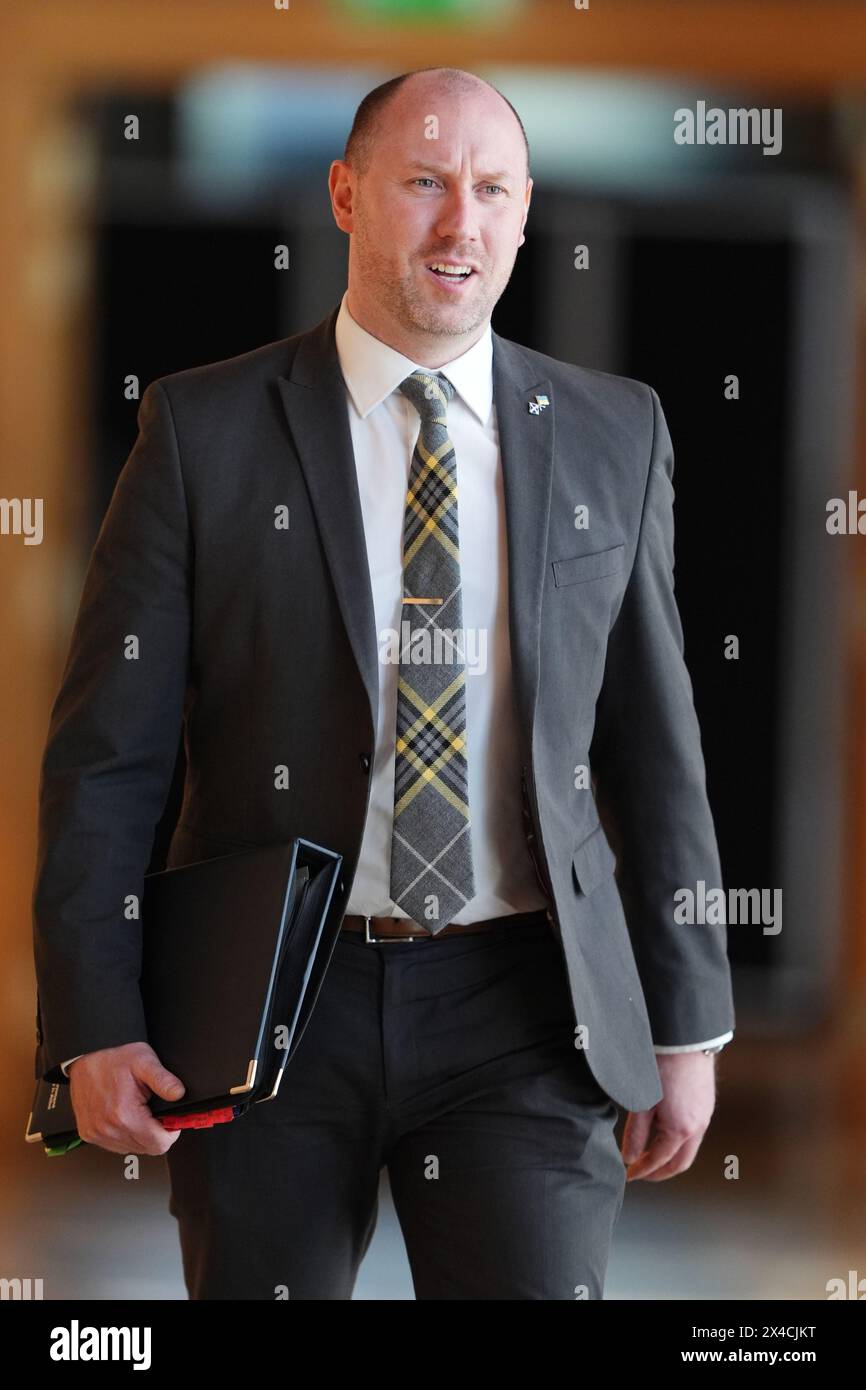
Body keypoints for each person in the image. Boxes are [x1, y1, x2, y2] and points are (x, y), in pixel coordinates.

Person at [32, 66, 735, 1300]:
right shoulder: (203, 430)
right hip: (268, 1002)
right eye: (423, 182)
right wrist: (93, 1011)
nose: (460, 223)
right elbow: (110, 754)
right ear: (347, 194)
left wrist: (687, 1017)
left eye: (491, 189)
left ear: (523, 214)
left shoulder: (613, 429)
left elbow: (653, 746)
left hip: (526, 1004)